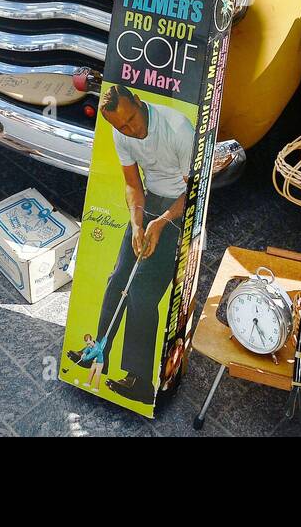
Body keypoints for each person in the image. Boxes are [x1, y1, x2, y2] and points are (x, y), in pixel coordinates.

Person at [65, 85, 195, 406]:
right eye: (121, 127)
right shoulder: (120, 131)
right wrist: (137, 223)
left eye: (132, 121)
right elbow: (132, 184)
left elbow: (194, 190)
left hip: (180, 209)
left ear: (138, 102)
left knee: (143, 292)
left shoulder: (177, 128)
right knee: (119, 277)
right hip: (149, 202)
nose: (131, 131)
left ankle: (139, 380)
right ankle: (99, 352)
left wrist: (161, 222)